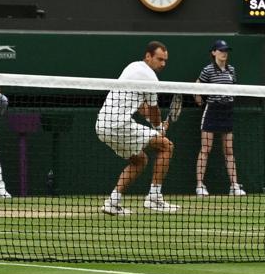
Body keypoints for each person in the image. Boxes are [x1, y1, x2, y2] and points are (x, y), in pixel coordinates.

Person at [96, 42, 180, 216]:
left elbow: (142, 106)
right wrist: (158, 128)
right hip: (118, 125)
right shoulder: (149, 76)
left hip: (102, 126)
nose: (163, 64)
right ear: (148, 56)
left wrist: (152, 122)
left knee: (139, 160)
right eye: (159, 59)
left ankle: (112, 202)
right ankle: (154, 198)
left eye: (165, 60)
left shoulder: (133, 67)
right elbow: (154, 109)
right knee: (167, 146)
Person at [193, 40, 247, 197]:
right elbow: (197, 85)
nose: (224, 53)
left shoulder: (231, 70)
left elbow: (234, 88)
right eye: (221, 50)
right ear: (214, 52)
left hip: (227, 110)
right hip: (212, 110)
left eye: (226, 50)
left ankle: (234, 186)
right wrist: (199, 100)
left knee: (229, 150)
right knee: (205, 149)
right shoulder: (208, 70)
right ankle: (200, 186)